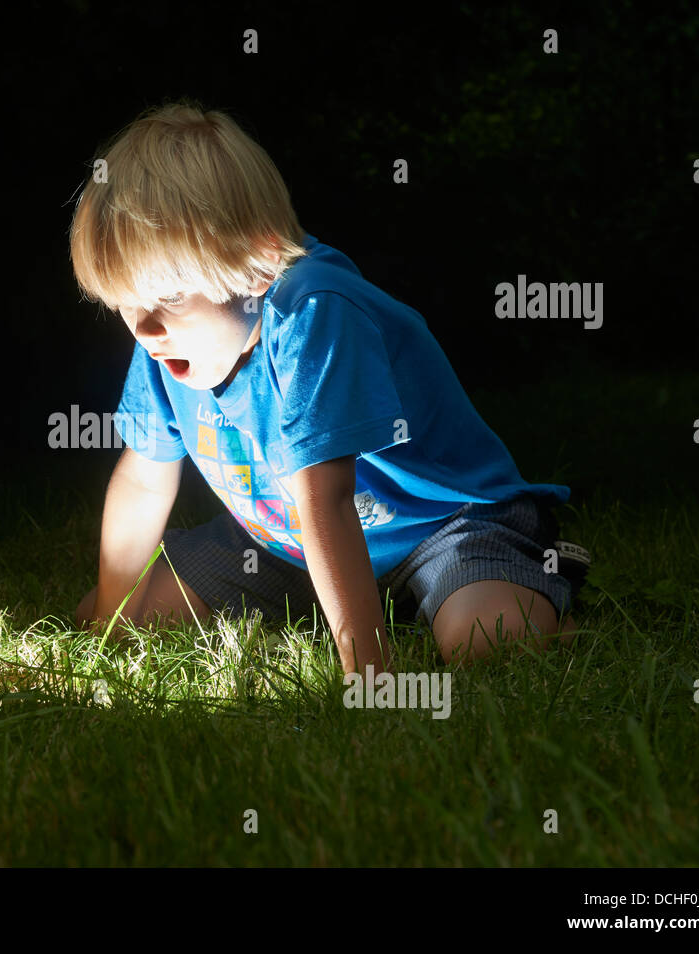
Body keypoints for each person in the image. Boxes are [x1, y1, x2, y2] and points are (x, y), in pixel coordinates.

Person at [69, 100, 589, 675]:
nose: (144, 329)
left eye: (167, 299)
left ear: (259, 264)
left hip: (438, 527)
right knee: (117, 611)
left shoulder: (315, 312)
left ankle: (535, 575)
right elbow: (144, 481)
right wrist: (106, 631)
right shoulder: (165, 345)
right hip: (284, 547)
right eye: (125, 304)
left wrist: (368, 673)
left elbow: (326, 497)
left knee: (488, 643)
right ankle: (356, 601)